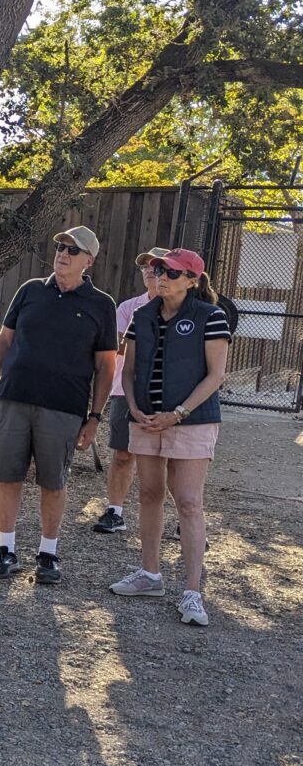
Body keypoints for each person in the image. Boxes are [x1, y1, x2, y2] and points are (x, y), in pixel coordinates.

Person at [0, 225, 117, 584]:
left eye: (73, 250)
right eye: (60, 246)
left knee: (53, 481)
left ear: (89, 260)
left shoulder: (101, 305)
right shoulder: (29, 291)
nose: (63, 254)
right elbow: (3, 342)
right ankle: (6, 549)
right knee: (7, 475)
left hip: (63, 407)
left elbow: (106, 366)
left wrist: (95, 416)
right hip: (13, 398)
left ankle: (48, 554)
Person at [108, 249, 229, 626]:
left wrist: (178, 414)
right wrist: (134, 405)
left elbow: (216, 375)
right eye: (158, 270)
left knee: (189, 501)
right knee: (148, 494)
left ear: (193, 280)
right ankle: (150, 574)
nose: (161, 277)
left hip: (191, 421)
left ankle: (192, 591)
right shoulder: (142, 316)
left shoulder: (211, 316)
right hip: (145, 419)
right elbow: (127, 370)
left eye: (172, 273)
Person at [90, 248, 167, 534]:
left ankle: (183, 520)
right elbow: (117, 346)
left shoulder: (186, 308)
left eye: (156, 266)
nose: (149, 270)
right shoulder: (127, 308)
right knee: (123, 453)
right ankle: (115, 511)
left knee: (172, 457)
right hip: (126, 388)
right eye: (145, 266)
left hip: (169, 393)